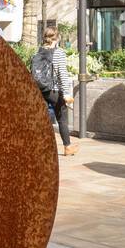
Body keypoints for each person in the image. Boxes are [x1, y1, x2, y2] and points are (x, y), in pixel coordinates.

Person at [31, 27, 75, 155]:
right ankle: (67, 147)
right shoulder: (59, 52)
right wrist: (66, 93)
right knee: (61, 118)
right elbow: (62, 74)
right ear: (57, 38)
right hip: (54, 90)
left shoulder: (37, 52)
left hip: (40, 90)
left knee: (43, 121)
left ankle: (43, 148)